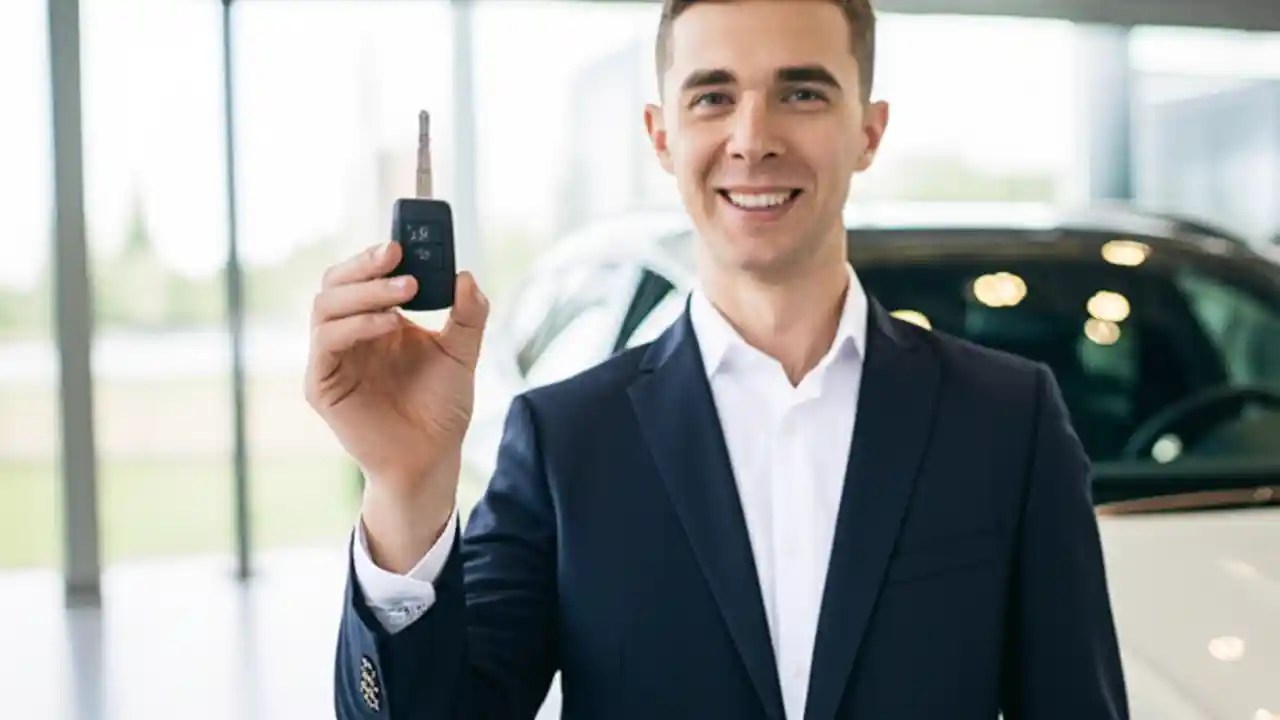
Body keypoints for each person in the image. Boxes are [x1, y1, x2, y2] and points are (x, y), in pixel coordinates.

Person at [306, 0, 1130, 717]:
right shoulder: (567, 441)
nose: (753, 138)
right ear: (661, 135)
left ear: (868, 131)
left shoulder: (1007, 420)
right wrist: (406, 487)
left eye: (801, 93)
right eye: (712, 97)